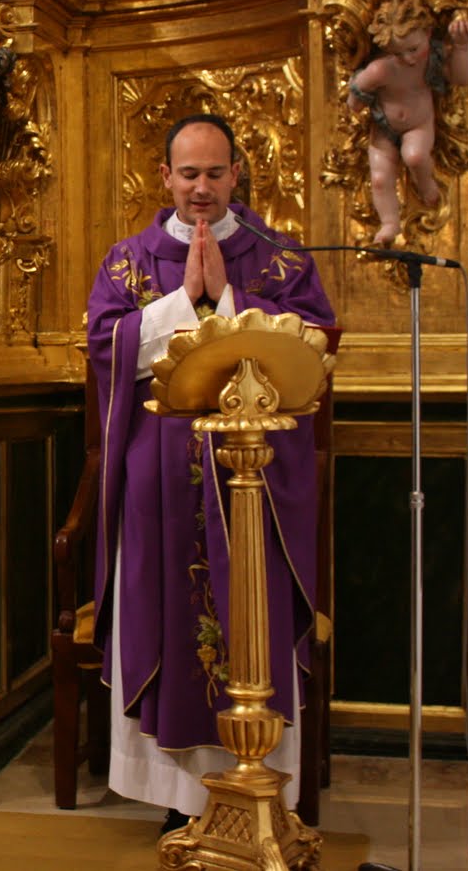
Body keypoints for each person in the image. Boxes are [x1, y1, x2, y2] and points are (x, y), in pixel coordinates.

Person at [85, 113, 335, 831]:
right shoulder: (129, 262)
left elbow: (315, 345)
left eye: (215, 173)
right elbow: (103, 346)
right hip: (160, 487)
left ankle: (261, 789)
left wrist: (229, 300)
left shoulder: (280, 259)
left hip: (257, 487)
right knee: (169, 622)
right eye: (188, 173)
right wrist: (179, 301)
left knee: (252, 617)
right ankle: (182, 799)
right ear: (165, 176)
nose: (202, 188)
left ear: (236, 174)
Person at [347, 0, 468, 246]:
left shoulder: (431, 60)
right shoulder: (381, 69)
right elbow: (358, 88)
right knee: (379, 179)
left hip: (418, 123)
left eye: (413, 49)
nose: (408, 58)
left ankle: (425, 183)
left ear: (428, 33)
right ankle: (389, 222)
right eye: (397, 53)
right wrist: (355, 100)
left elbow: (461, 78)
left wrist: (461, 47)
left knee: (415, 156)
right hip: (383, 126)